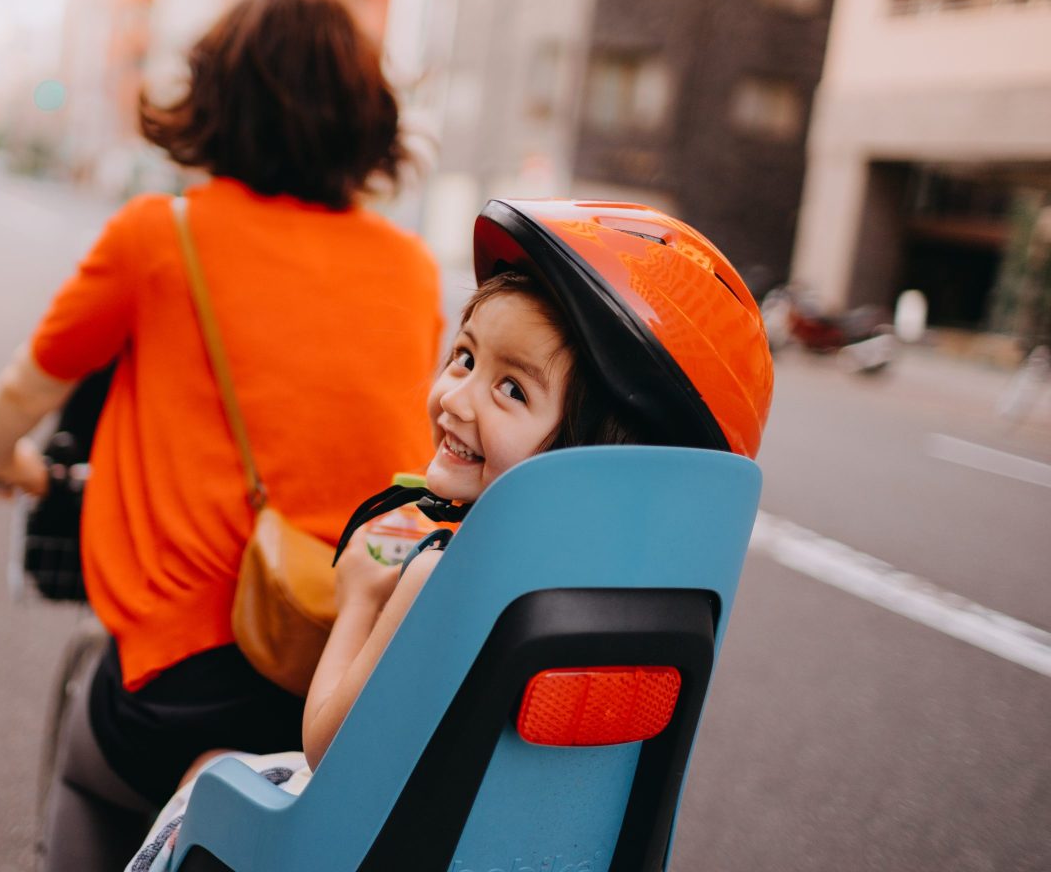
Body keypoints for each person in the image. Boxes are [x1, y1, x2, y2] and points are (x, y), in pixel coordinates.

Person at [121, 198, 776, 872]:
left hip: (361, 849)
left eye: (512, 390)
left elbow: (325, 745)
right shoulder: (661, 602)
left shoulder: (441, 576)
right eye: (464, 359)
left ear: (591, 442)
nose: (454, 398)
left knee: (210, 770)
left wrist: (361, 599)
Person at [0, 0, 443, 871]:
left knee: (91, 776)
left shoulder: (159, 235)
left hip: (183, 687)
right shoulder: (412, 268)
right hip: (356, 689)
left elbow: (30, 388)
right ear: (368, 119)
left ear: (214, 101)